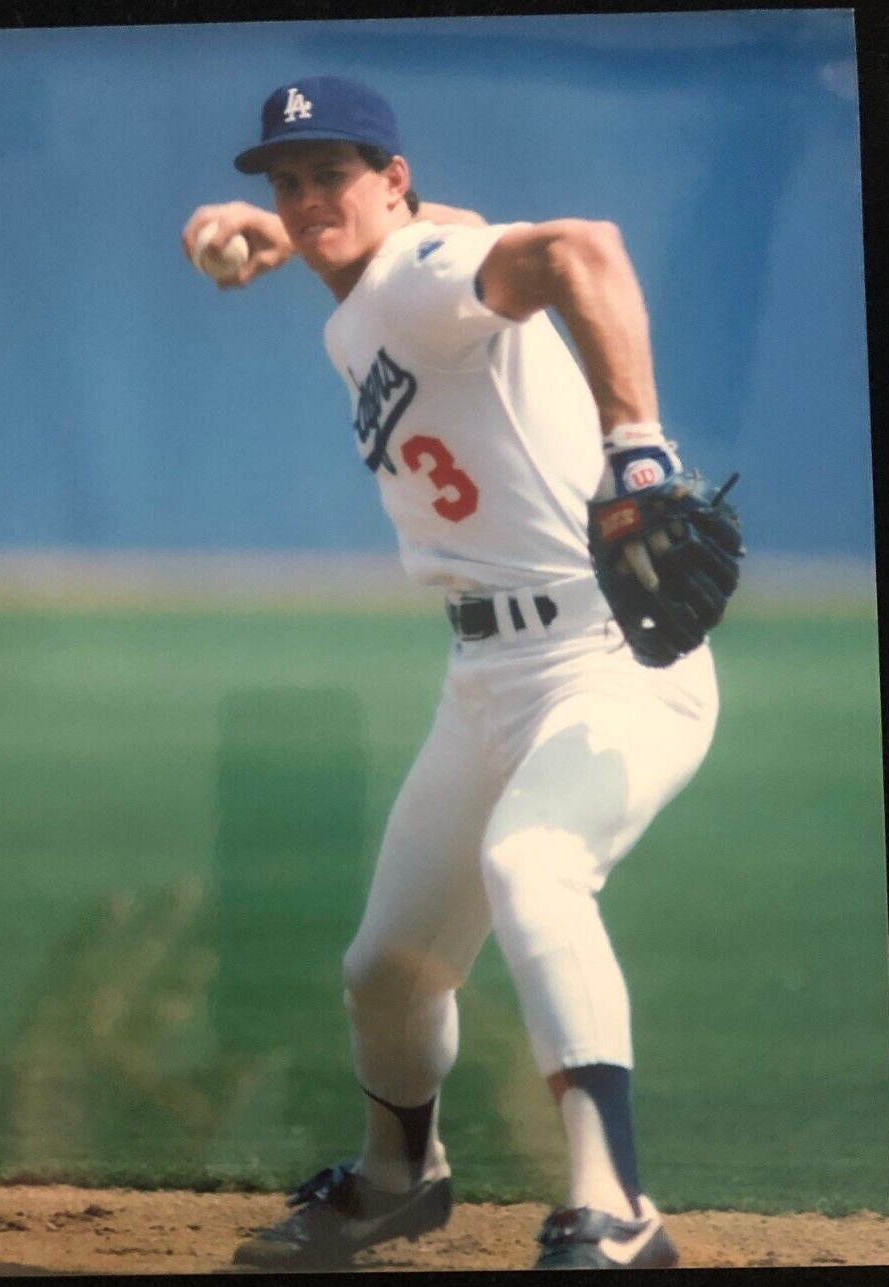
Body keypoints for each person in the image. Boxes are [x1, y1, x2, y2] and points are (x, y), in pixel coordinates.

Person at [182, 75, 721, 1272]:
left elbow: (581, 247)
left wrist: (635, 450)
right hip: (482, 680)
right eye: (285, 177)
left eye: (333, 172)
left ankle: (615, 1205)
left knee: (534, 865)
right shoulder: (371, 292)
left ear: (394, 180)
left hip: (605, 658)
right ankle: (394, 1180)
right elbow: (406, 251)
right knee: (387, 970)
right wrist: (277, 232)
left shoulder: (424, 271)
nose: (306, 193)